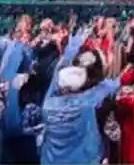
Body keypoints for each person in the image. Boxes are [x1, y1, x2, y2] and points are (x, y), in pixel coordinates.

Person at [39, 29, 121, 165]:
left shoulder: (48, 104)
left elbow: (56, 76)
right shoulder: (88, 102)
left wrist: (72, 47)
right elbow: (113, 85)